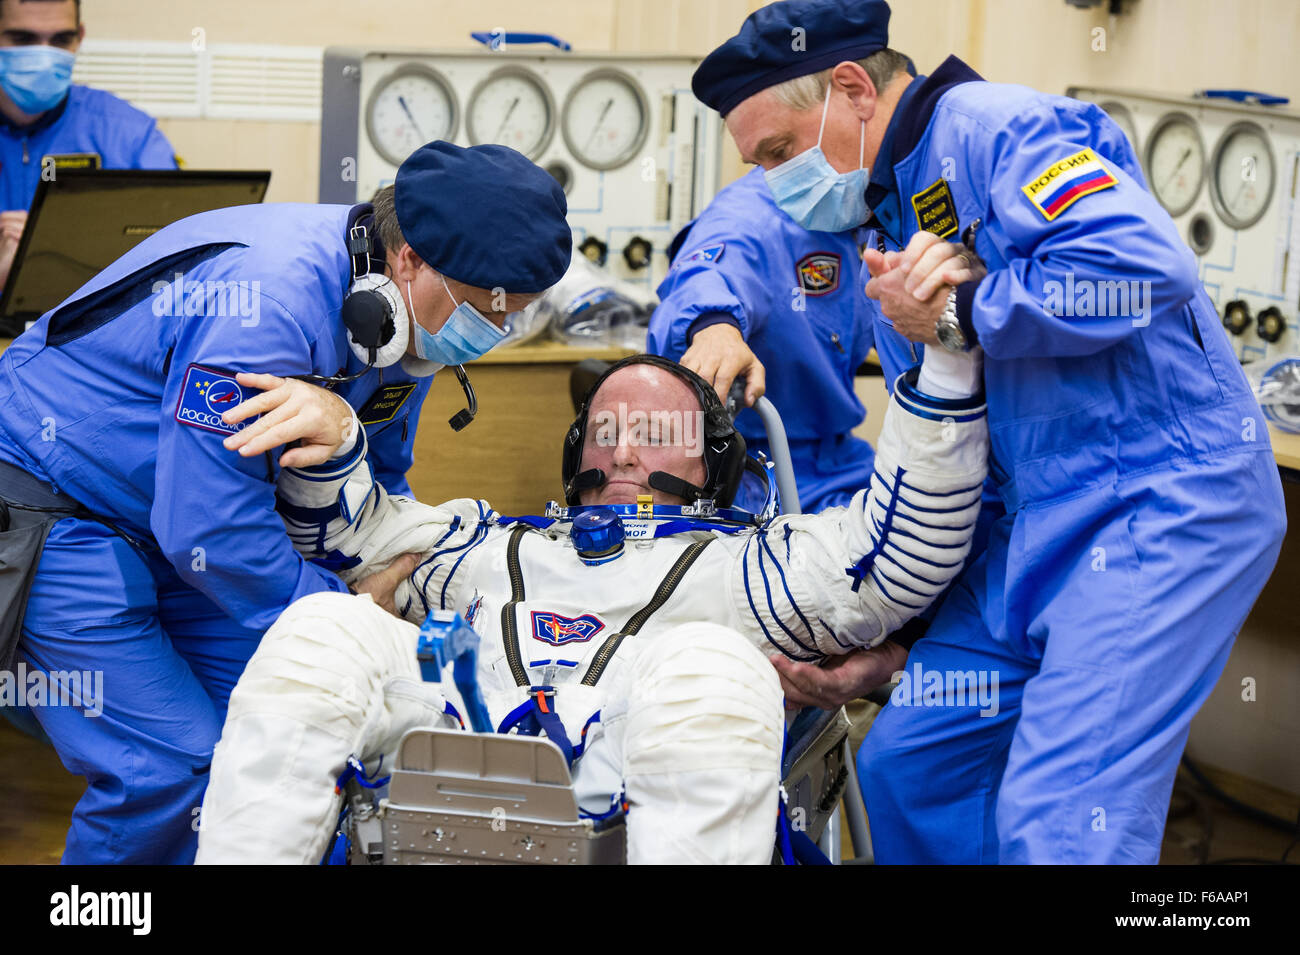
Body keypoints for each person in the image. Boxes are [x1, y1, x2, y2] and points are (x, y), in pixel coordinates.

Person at [693, 0, 1287, 863]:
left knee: (1062, 812)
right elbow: (970, 453)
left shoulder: (996, 130)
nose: (775, 180)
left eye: (779, 153)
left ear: (852, 88)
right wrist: (903, 640)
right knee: (911, 763)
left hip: (1160, 503)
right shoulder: (885, 212)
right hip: (1032, 526)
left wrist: (963, 312)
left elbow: (1141, 270)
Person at [0, 139, 571, 863]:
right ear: (411, 260)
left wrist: (393, 570)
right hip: (55, 504)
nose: (493, 333)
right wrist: (344, 610)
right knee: (173, 766)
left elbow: (378, 484)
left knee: (302, 722)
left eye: (511, 317)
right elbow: (206, 525)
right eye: (485, 312)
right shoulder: (269, 303)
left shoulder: (400, 326)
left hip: (175, 527)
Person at [194, 350, 988, 864]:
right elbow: (351, 532)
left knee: (712, 663)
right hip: (458, 734)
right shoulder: (489, 541)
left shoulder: (754, 562)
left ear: (712, 463)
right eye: (607, 429)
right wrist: (333, 440)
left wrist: (949, 364)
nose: (626, 449)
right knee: (322, 628)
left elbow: (901, 550)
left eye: (654, 430)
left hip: (638, 755)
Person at [647, 167, 876, 513]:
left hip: (841, 459)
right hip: (759, 469)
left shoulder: (855, 220)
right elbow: (706, 272)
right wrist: (714, 325)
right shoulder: (752, 213)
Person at [0, 0, 178, 288]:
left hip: (94, 327)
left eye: (61, 39)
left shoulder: (131, 136)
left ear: (79, 38)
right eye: (24, 39)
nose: (45, 57)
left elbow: (177, 254)